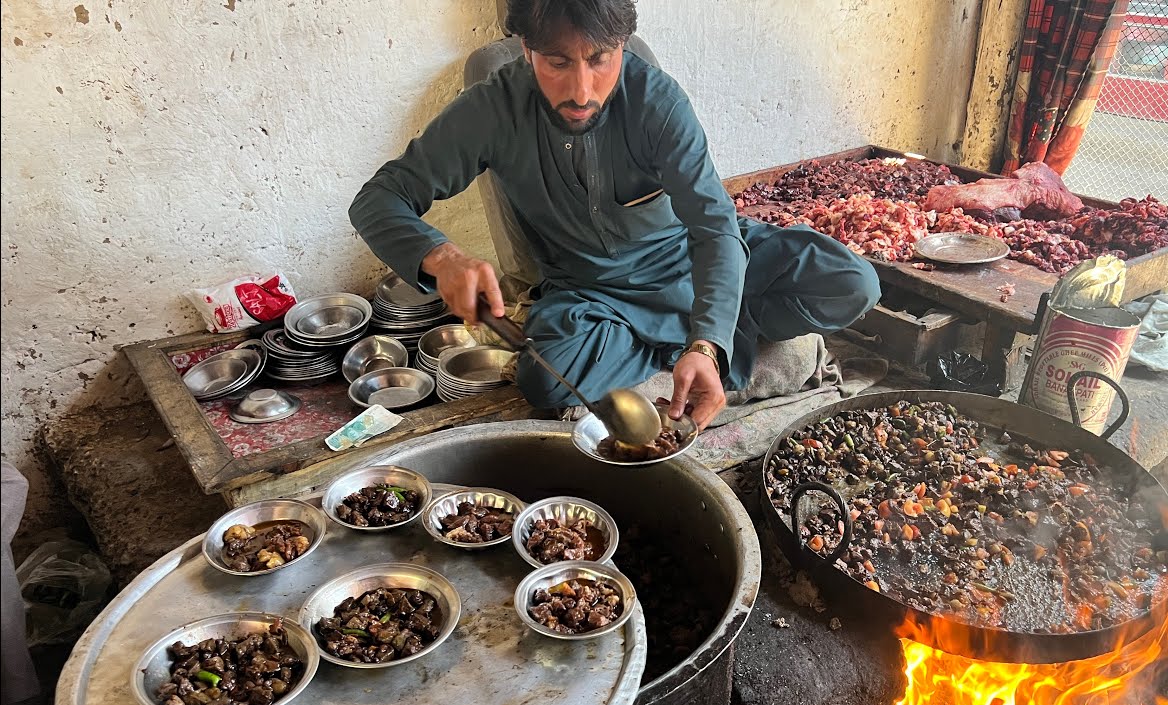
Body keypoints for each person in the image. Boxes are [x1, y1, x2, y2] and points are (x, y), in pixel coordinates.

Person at [349, 0, 880, 430]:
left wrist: (706, 340)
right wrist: (441, 257)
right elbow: (378, 199)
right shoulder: (493, 108)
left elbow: (714, 227)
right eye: (558, 62)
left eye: (600, 58)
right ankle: (718, 346)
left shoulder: (657, 102)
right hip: (596, 297)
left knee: (850, 283)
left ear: (623, 45)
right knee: (544, 378)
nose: (582, 91)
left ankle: (703, 346)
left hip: (687, 263)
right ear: (527, 49)